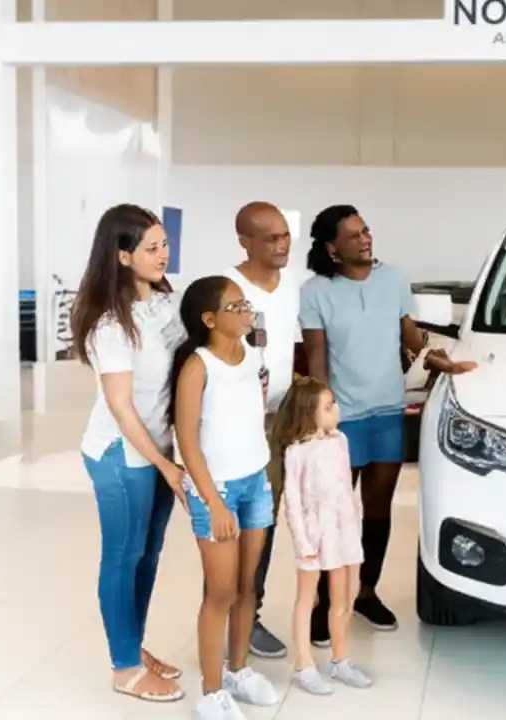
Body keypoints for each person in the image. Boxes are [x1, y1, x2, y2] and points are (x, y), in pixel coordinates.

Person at [299, 204, 476, 645]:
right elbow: (317, 361)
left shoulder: (394, 279)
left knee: (377, 511)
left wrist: (442, 362)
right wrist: (319, 421)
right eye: (354, 234)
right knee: (335, 515)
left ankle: (365, 592)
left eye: (367, 230)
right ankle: (324, 601)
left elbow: (411, 339)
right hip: (342, 418)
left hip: (386, 412)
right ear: (332, 248)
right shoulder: (315, 291)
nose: (365, 238)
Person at [71, 203, 186, 703]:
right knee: (124, 555)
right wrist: (166, 465)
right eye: (151, 247)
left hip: (158, 449)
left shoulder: (163, 300)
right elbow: (120, 407)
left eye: (164, 243)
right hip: (123, 455)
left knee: (148, 553)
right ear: (122, 256)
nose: (163, 254)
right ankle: (124, 667)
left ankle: (133, 647)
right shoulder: (109, 325)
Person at [167, 276, 282, 720]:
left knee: (247, 586)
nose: (246, 311)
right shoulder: (198, 366)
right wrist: (213, 502)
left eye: (246, 304)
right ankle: (211, 690)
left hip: (255, 482)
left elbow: (252, 420)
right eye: (236, 306)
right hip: (217, 491)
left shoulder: (253, 357)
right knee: (220, 591)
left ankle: (238, 670)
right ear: (210, 319)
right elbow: (187, 440)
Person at [222, 201, 300, 660]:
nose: (282, 244)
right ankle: (233, 619)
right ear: (244, 241)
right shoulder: (227, 287)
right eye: (270, 237)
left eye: (285, 235)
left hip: (279, 420)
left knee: (264, 525)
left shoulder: (289, 285)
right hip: (237, 426)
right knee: (241, 529)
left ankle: (249, 616)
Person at [274, 377, 376, 695]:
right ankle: (303, 663)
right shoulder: (297, 452)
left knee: (344, 597)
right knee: (308, 598)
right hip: (315, 537)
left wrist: (354, 522)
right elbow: (292, 500)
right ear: (310, 413)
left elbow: (347, 487)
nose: (337, 409)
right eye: (329, 405)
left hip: (345, 532)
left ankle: (340, 658)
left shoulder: (340, 442)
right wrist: (303, 542)